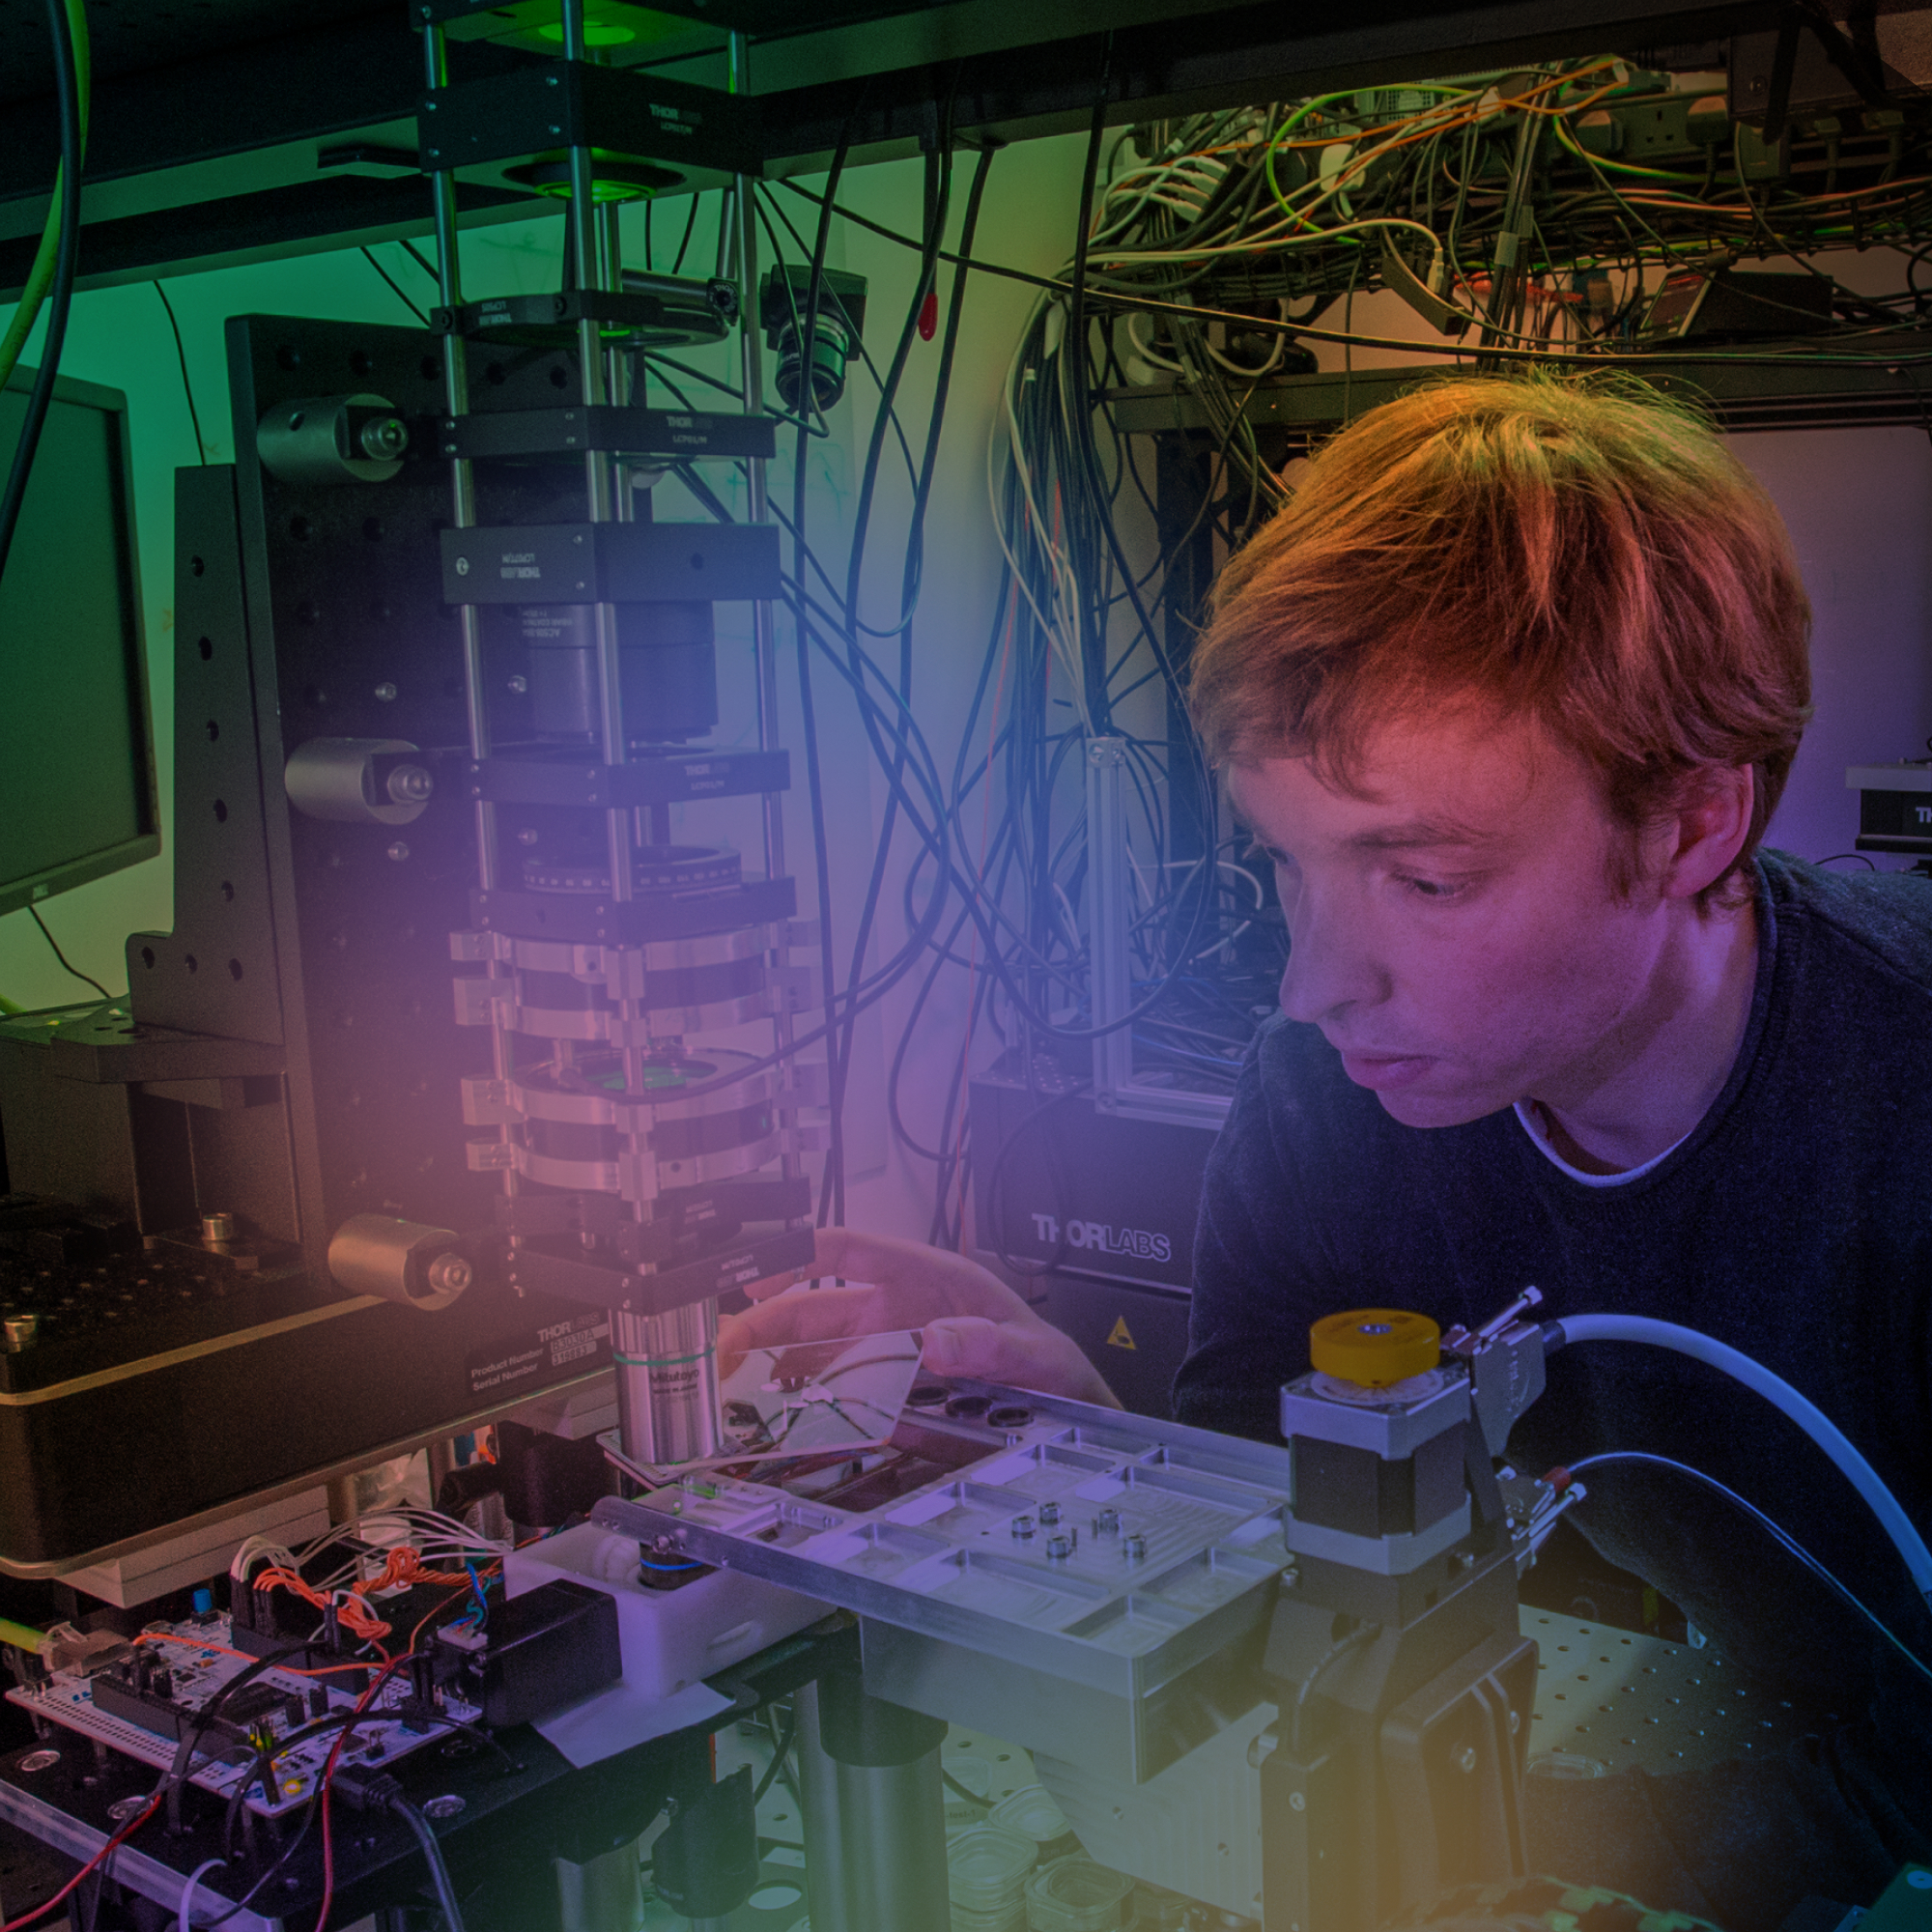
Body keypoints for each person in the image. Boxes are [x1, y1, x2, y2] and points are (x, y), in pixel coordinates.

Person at [723, 376, 1932, 1929]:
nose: (1314, 985)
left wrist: (1589, 1870)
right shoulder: (1331, 1093)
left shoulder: (1896, 1119)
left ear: (1694, 825)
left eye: (1424, 879)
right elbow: (1289, 1534)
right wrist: (1097, 1460)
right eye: (1290, 865)